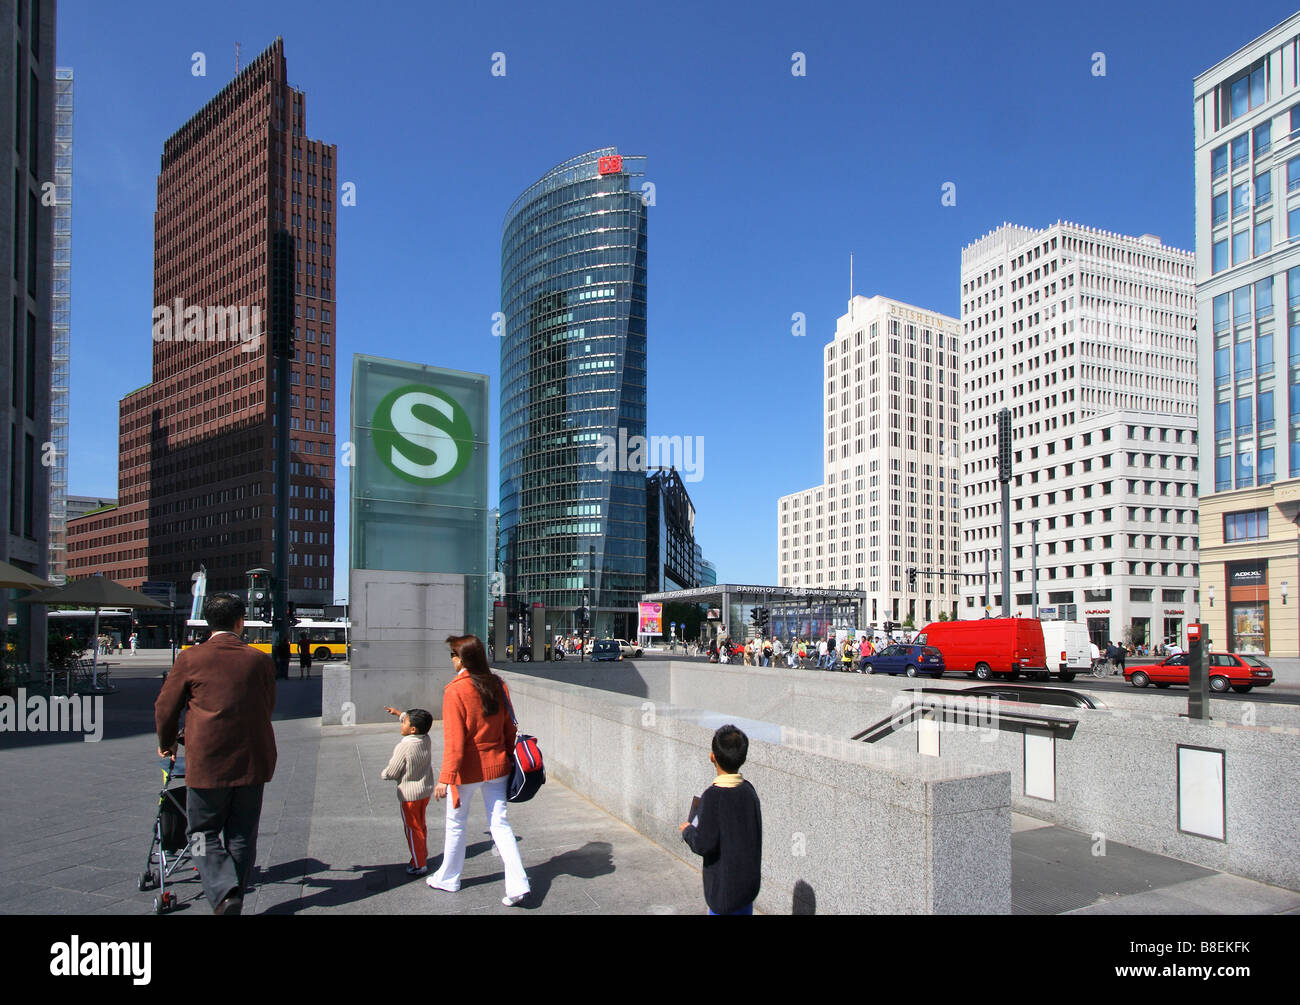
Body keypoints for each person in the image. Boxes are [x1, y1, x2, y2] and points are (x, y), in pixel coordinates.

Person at [155, 593, 276, 915]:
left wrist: (168, 742)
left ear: (209, 623)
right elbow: (267, 707)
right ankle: (233, 898)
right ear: (240, 622)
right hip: (253, 760)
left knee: (200, 832)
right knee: (242, 834)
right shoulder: (260, 659)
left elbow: (165, 707)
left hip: (207, 761)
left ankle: (224, 894)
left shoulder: (191, 658)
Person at [427, 634, 530, 906]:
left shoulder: (455, 690)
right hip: (498, 766)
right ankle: (518, 884)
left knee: (456, 824)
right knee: (500, 824)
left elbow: (455, 742)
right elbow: (510, 727)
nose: (451, 660)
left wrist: (445, 778)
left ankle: (449, 878)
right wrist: (505, 754)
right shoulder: (497, 684)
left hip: (467, 772)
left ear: (462, 659)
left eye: (453, 655)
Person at [679, 724, 762, 916]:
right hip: (747, 889)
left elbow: (703, 844)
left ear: (712, 757)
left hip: (723, 894)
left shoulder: (712, 796)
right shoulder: (749, 791)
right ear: (743, 758)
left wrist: (688, 830)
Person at [380, 706, 435, 876]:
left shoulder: (404, 746)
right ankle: (422, 854)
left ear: (412, 729)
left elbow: (393, 771)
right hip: (424, 792)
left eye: (404, 722)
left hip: (409, 795)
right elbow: (417, 722)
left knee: (412, 829)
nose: (401, 724)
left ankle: (419, 863)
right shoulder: (426, 738)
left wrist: (384, 774)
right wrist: (399, 714)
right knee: (420, 825)